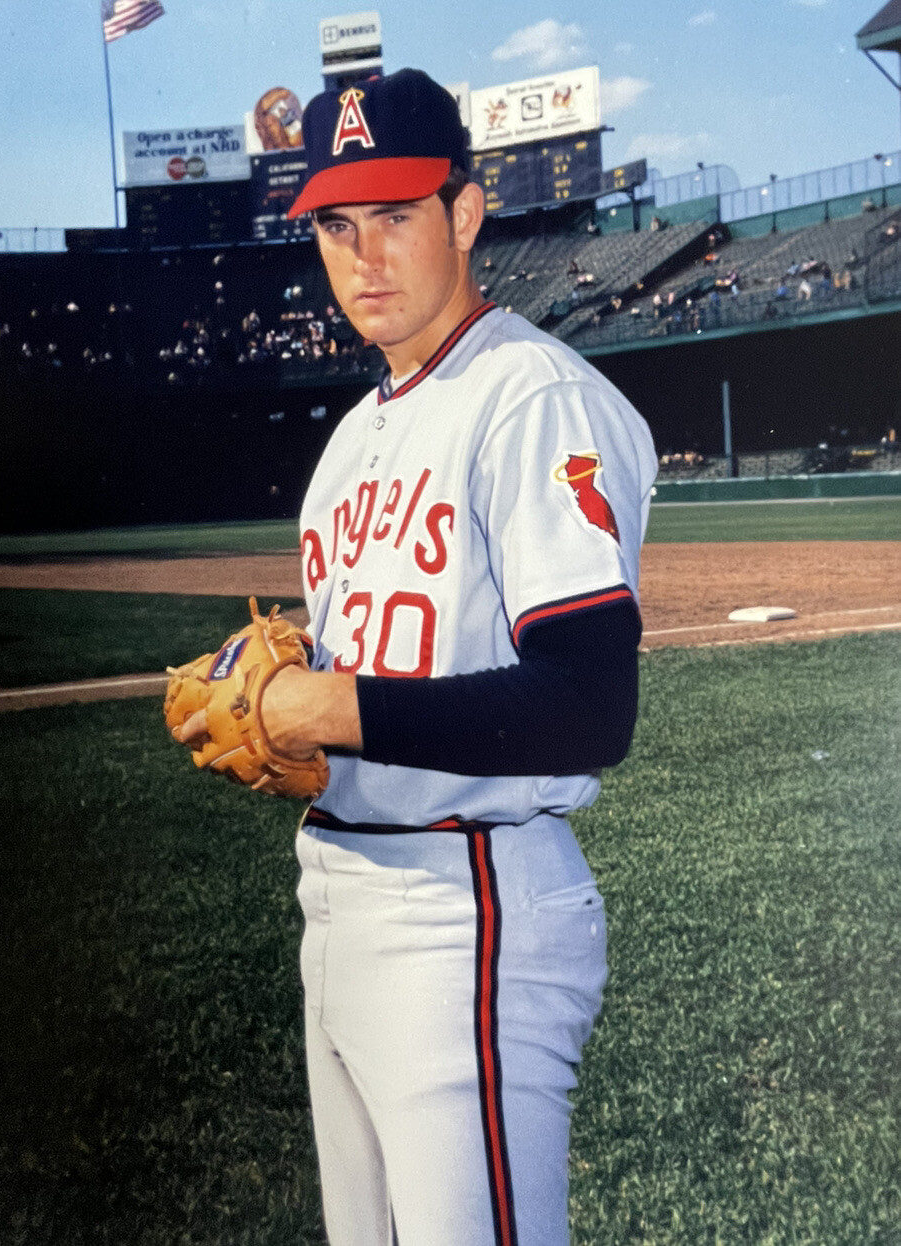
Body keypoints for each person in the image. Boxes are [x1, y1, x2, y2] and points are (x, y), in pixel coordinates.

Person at [179, 67, 657, 1246]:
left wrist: (324, 707)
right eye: (338, 226)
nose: (363, 256)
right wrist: (283, 700)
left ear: (465, 212)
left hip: (468, 911)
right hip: (339, 899)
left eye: (395, 215)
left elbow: (588, 704)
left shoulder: (529, 397)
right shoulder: (353, 437)